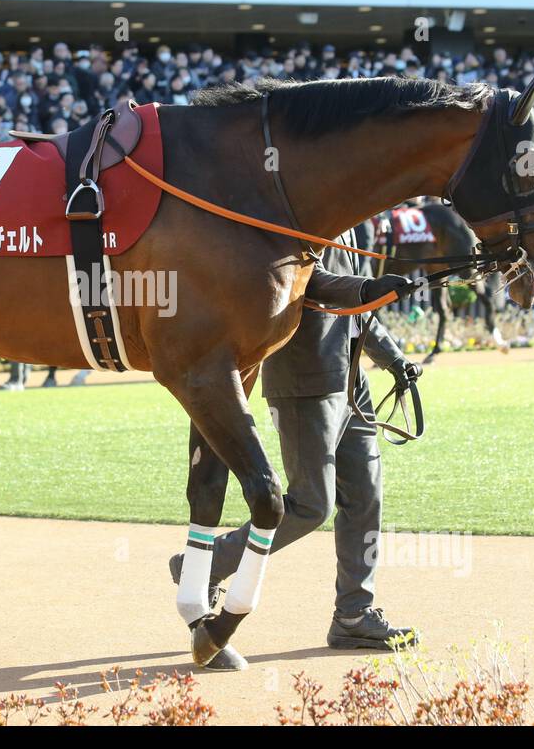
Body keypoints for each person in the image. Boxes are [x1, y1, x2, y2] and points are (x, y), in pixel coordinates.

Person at [170, 229, 421, 651]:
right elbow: (317, 285)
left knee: (365, 496)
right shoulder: (297, 213)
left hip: (350, 378)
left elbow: (362, 307)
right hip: (304, 382)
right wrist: (370, 288)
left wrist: (393, 358)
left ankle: (354, 616)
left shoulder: (351, 217)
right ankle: (209, 562)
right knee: (310, 504)